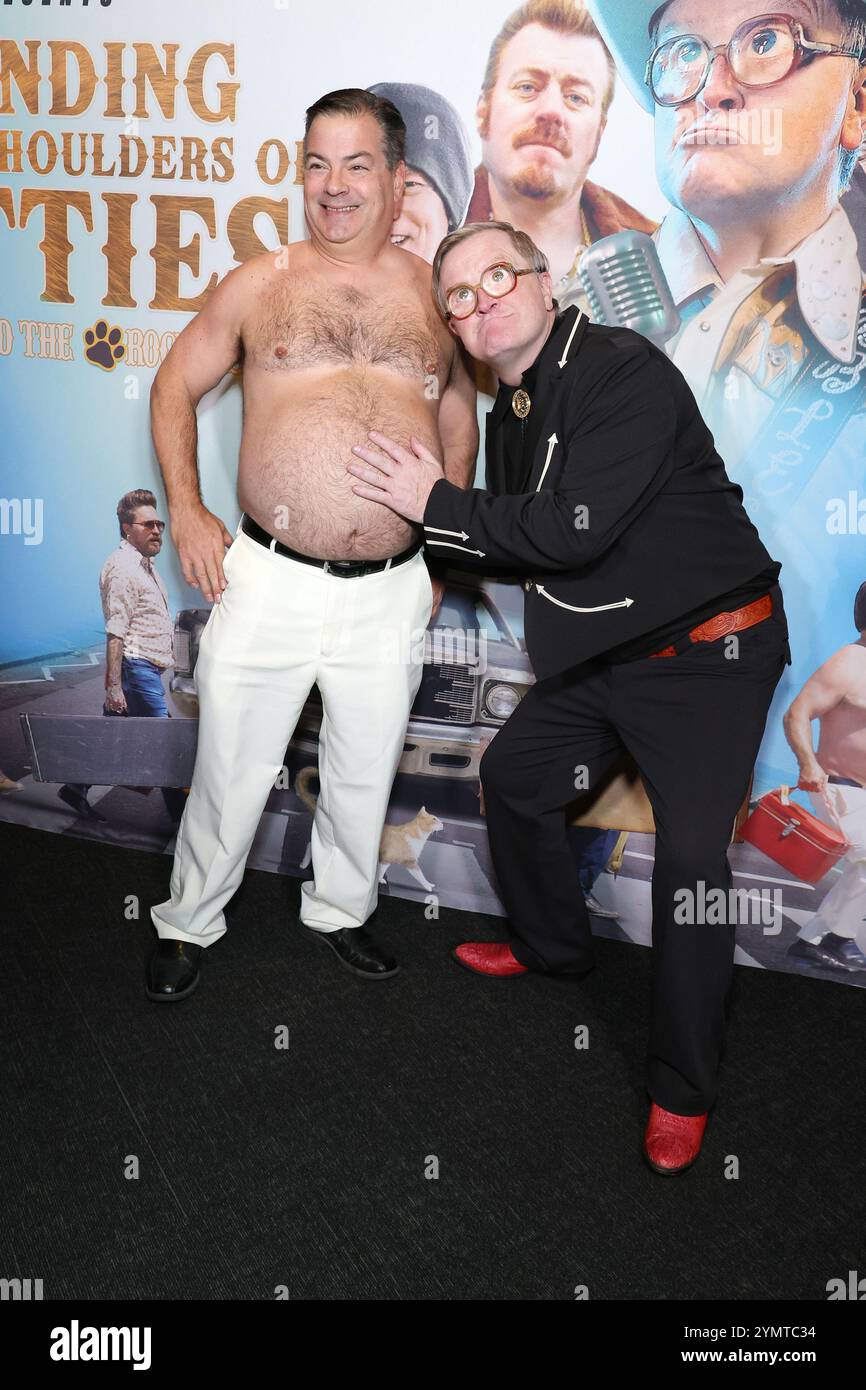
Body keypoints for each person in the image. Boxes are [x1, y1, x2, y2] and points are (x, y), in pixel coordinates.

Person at [346, 219, 790, 1174]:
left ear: (545, 282)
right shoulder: (510, 409)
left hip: (707, 654)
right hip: (611, 654)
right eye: (458, 297)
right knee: (515, 774)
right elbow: (519, 542)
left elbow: (570, 531)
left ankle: (683, 1085)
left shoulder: (625, 370)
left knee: (695, 866)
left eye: (496, 276)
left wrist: (431, 502)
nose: (480, 303)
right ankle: (554, 948)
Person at [146, 88, 477, 1000]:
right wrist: (188, 508)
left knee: (365, 769)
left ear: (396, 177)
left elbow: (456, 416)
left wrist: (445, 542)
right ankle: (187, 921)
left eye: (357, 164)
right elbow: (173, 385)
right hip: (270, 578)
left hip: (393, 585)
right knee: (231, 765)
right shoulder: (261, 283)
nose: (334, 187)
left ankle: (340, 909)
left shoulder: (435, 294)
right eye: (316, 163)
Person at [467, 0, 658, 307]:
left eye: (575, 97)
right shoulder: (421, 237)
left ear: (597, 136)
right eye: (527, 87)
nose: (552, 111)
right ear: (483, 111)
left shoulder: (659, 257)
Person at [57, 489, 187, 825]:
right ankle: (182, 817)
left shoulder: (145, 567)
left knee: (110, 737)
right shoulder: (123, 568)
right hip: (136, 667)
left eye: (159, 523)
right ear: (127, 529)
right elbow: (117, 631)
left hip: (145, 669)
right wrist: (115, 686)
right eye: (148, 525)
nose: (158, 530)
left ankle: (75, 787)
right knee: (163, 743)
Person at [783, 580, 866, 972]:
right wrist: (807, 763)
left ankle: (827, 938)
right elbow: (797, 712)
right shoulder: (848, 664)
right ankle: (826, 938)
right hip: (839, 787)